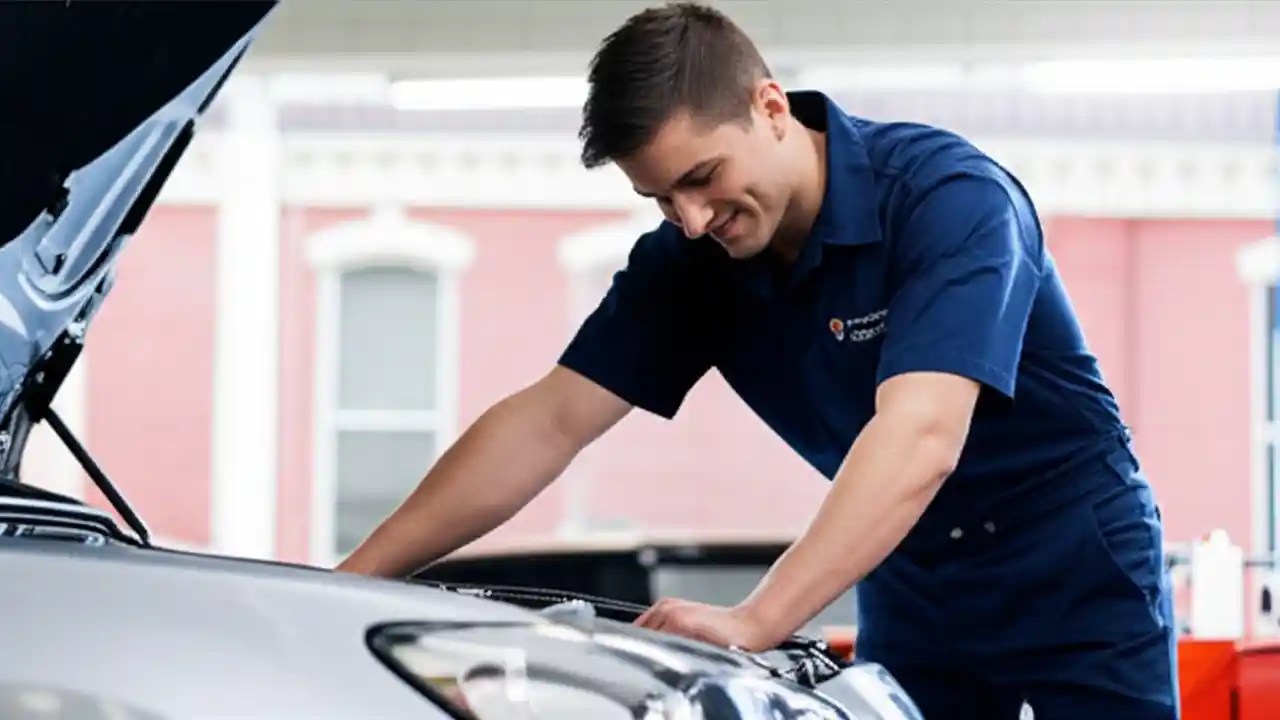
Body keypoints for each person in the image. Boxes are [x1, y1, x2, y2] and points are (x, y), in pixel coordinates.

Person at [338, 2, 1179, 717]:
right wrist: (349, 586)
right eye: (662, 198)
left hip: (1073, 555)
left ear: (770, 106)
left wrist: (760, 616)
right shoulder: (691, 263)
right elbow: (549, 421)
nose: (693, 218)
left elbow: (922, 436)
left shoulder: (949, 200)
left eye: (703, 176)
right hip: (914, 571)